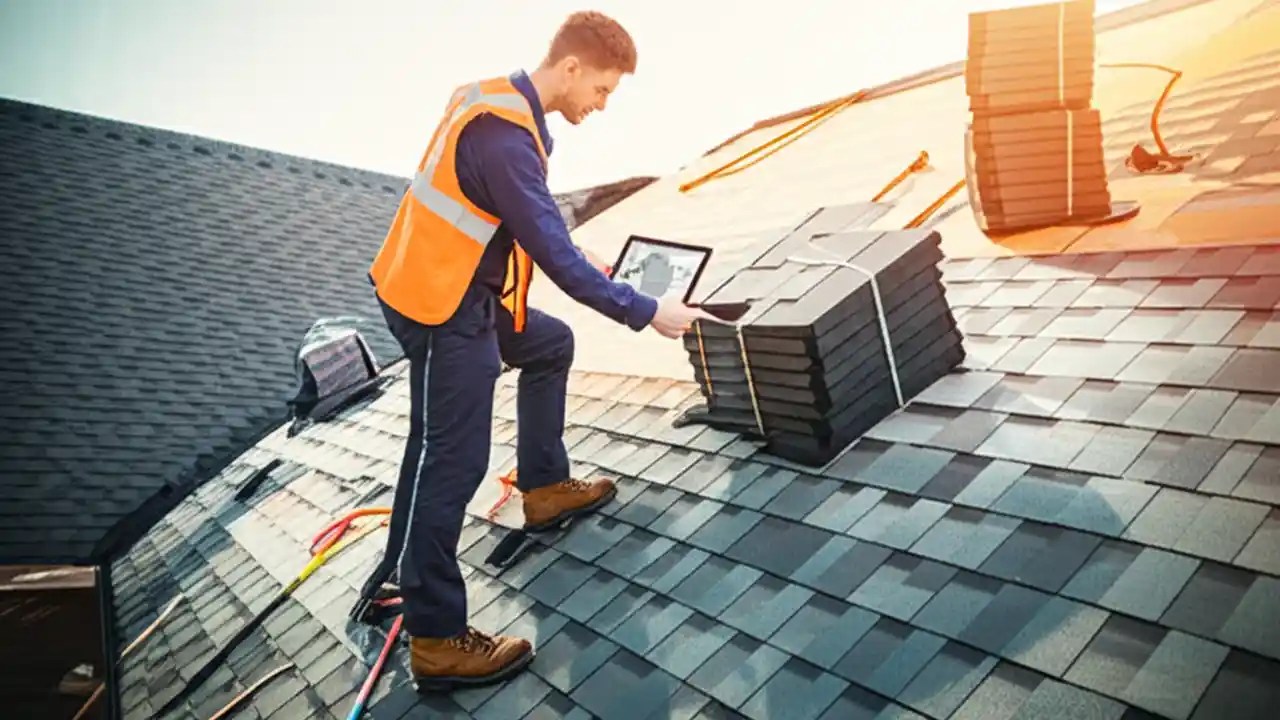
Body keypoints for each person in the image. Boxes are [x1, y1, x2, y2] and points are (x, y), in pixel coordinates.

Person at [365, 10, 712, 692]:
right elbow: (548, 250)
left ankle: (545, 487)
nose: (602, 106)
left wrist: (581, 251)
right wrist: (647, 311)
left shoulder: (497, 101)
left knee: (549, 343)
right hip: (441, 306)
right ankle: (436, 638)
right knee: (452, 456)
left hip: (454, 288)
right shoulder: (505, 138)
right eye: (603, 91)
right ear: (573, 68)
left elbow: (523, 218)